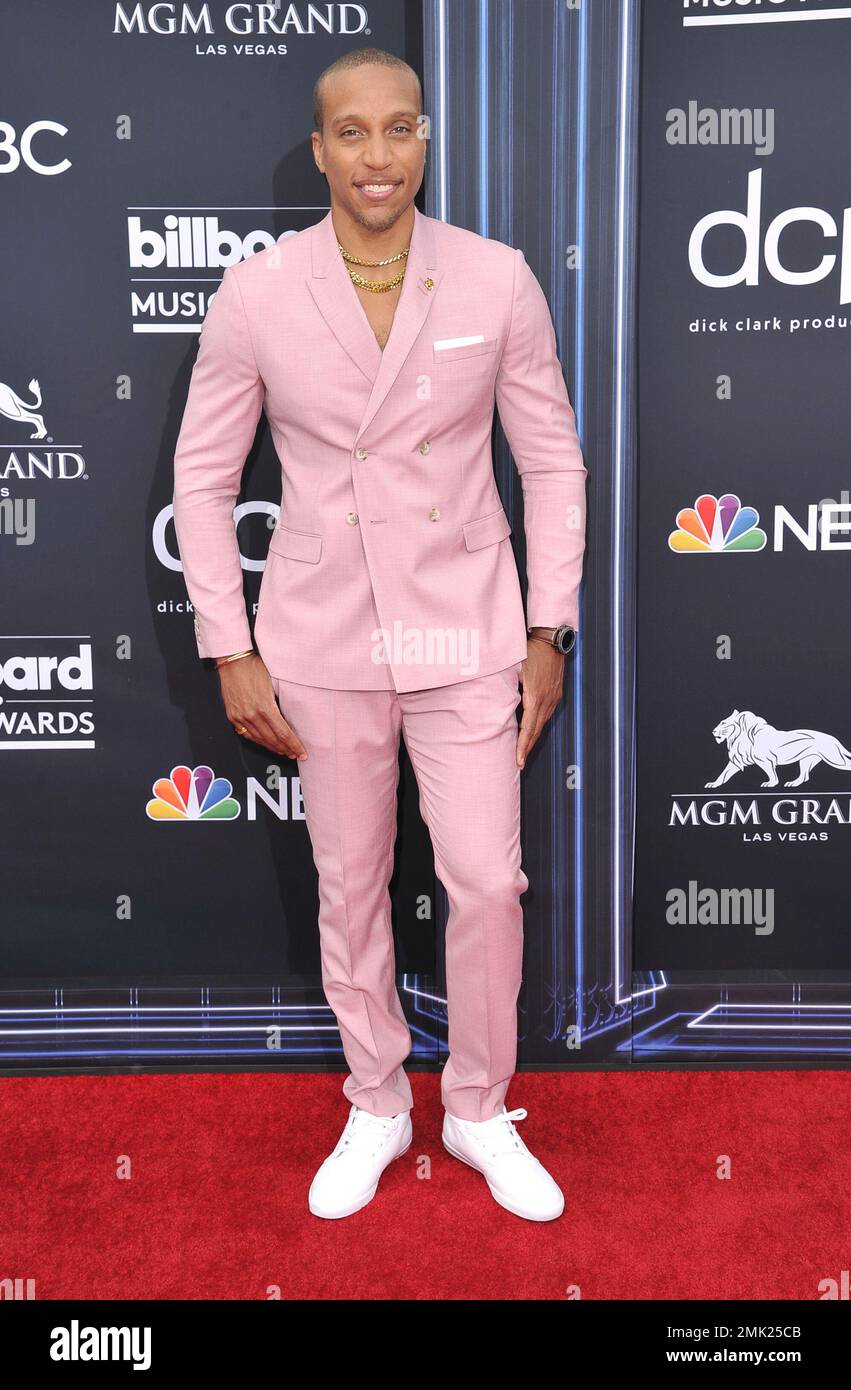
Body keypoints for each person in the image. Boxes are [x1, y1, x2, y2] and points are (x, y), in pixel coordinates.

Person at [172, 47, 587, 1222]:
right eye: (350, 133)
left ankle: (473, 1106)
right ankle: (373, 1099)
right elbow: (203, 479)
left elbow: (550, 462)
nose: (376, 155)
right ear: (318, 150)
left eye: (398, 128)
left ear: (423, 142)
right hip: (319, 637)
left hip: (470, 629)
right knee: (349, 883)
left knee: (486, 881)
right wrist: (228, 644)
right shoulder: (258, 291)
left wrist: (547, 626)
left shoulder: (497, 279)